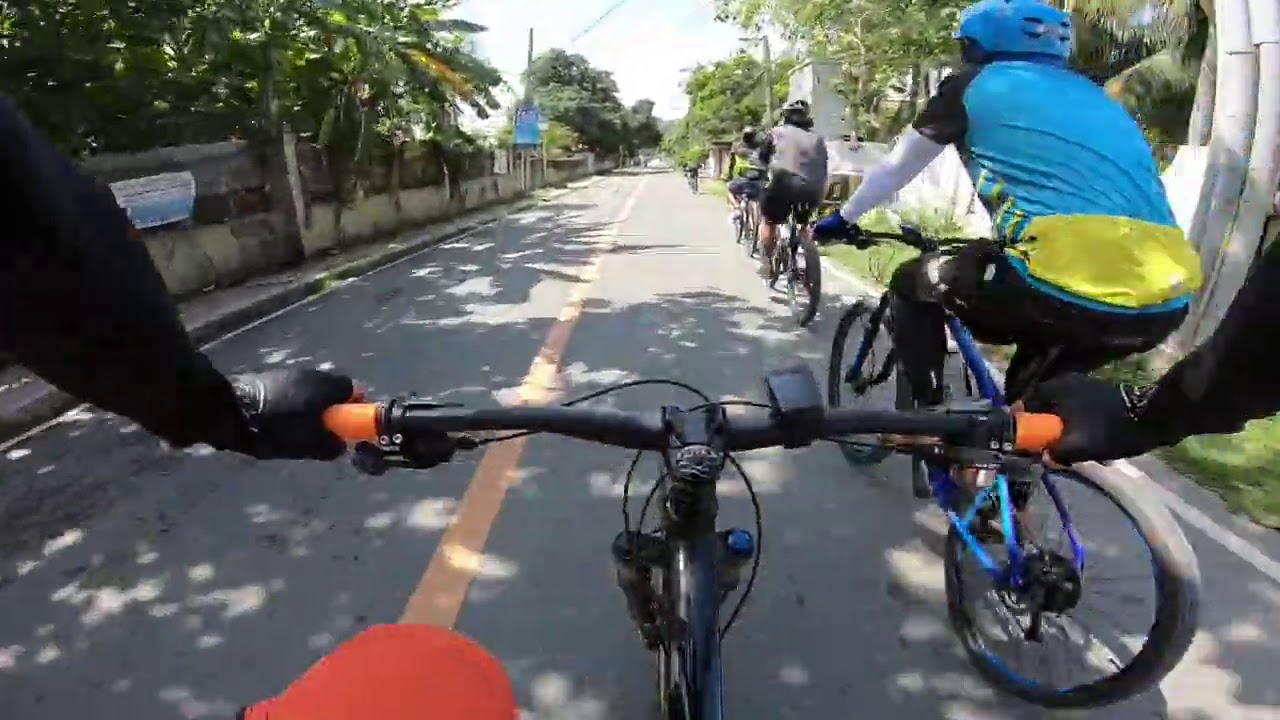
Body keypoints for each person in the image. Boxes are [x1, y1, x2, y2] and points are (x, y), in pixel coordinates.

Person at [811, 0, 1202, 411]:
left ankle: (926, 420)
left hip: (1058, 282)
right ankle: (1014, 462)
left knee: (910, 283)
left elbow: (893, 170)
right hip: (1163, 299)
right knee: (1021, 416)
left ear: (975, 47)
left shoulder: (973, 85)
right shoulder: (1099, 99)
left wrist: (841, 219)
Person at [1024, 237, 1280, 465]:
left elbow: (1253, 359)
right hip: (1164, 302)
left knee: (1022, 412)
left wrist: (1142, 416)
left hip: (1071, 282)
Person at [746, 99, 830, 279]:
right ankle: (805, 249)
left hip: (782, 185)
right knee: (804, 222)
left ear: (784, 116)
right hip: (813, 190)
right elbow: (823, 169)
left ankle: (766, 263)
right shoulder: (819, 139)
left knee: (769, 221)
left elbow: (762, 158)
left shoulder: (775, 133)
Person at [725, 127, 768, 224]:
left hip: (743, 180)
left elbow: (731, 164)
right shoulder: (761, 148)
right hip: (760, 181)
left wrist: (728, 176)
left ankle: (737, 209)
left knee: (729, 189)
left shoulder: (737, 148)